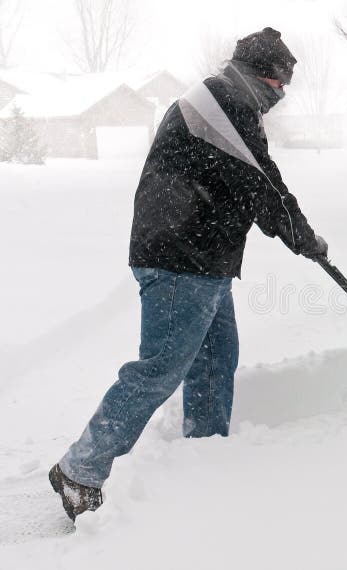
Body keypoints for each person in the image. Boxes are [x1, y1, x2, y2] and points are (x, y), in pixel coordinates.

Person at [48, 27, 327, 521]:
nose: (282, 95)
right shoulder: (223, 102)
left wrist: (297, 232)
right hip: (181, 256)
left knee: (217, 357)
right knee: (160, 367)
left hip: (203, 258)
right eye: (279, 84)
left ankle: (205, 454)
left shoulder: (229, 101)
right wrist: (302, 237)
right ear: (261, 76)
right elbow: (262, 185)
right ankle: (81, 469)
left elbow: (253, 183)